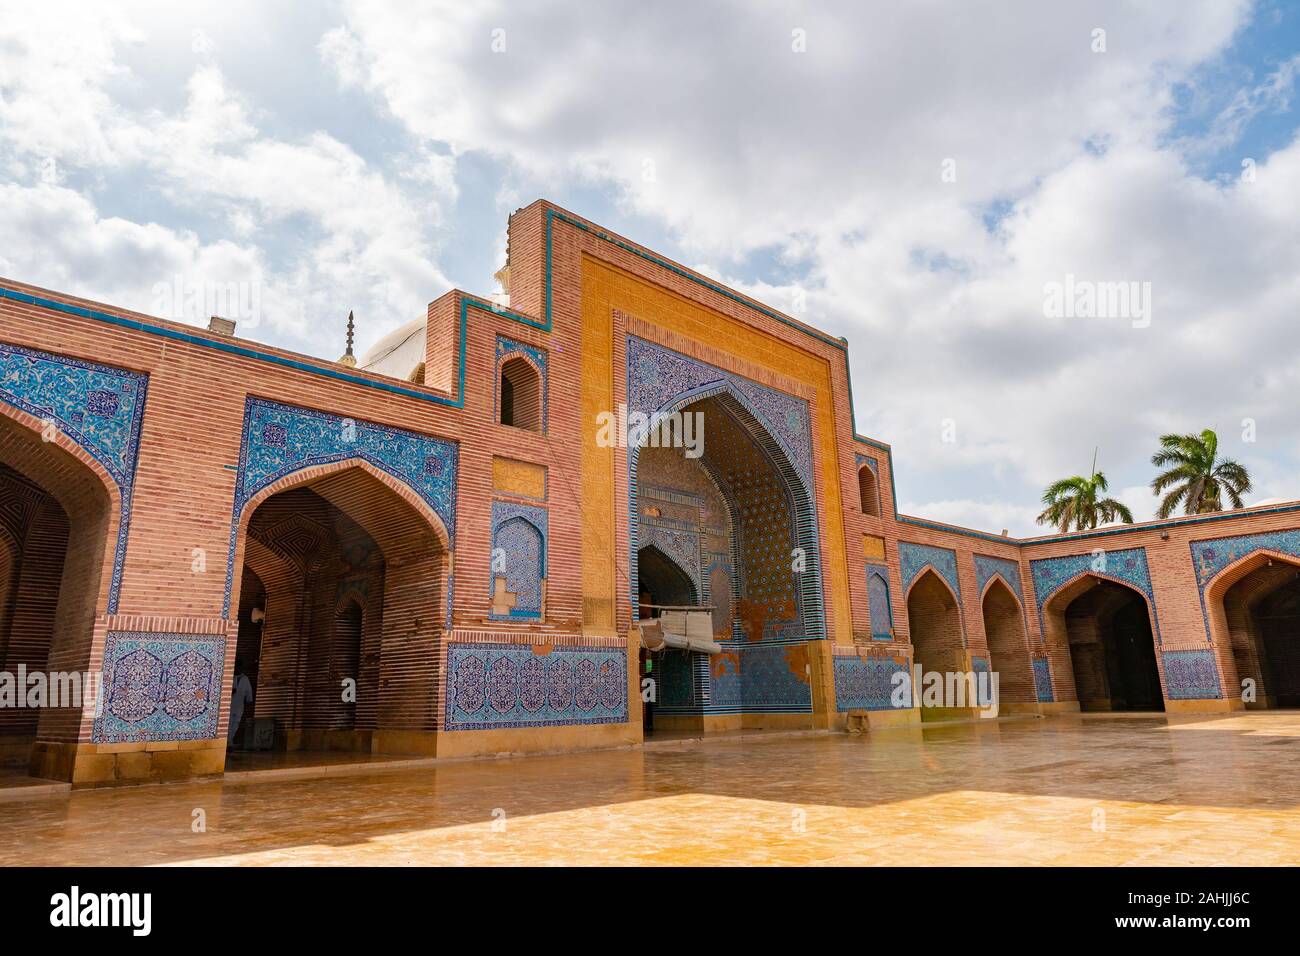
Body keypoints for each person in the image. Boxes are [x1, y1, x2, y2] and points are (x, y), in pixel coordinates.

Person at [228, 663, 254, 746]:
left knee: (235, 723)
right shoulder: (230, 677)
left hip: (239, 706)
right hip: (229, 705)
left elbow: (248, 692)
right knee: (228, 723)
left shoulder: (245, 679)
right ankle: (228, 743)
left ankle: (230, 740)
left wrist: (249, 701)